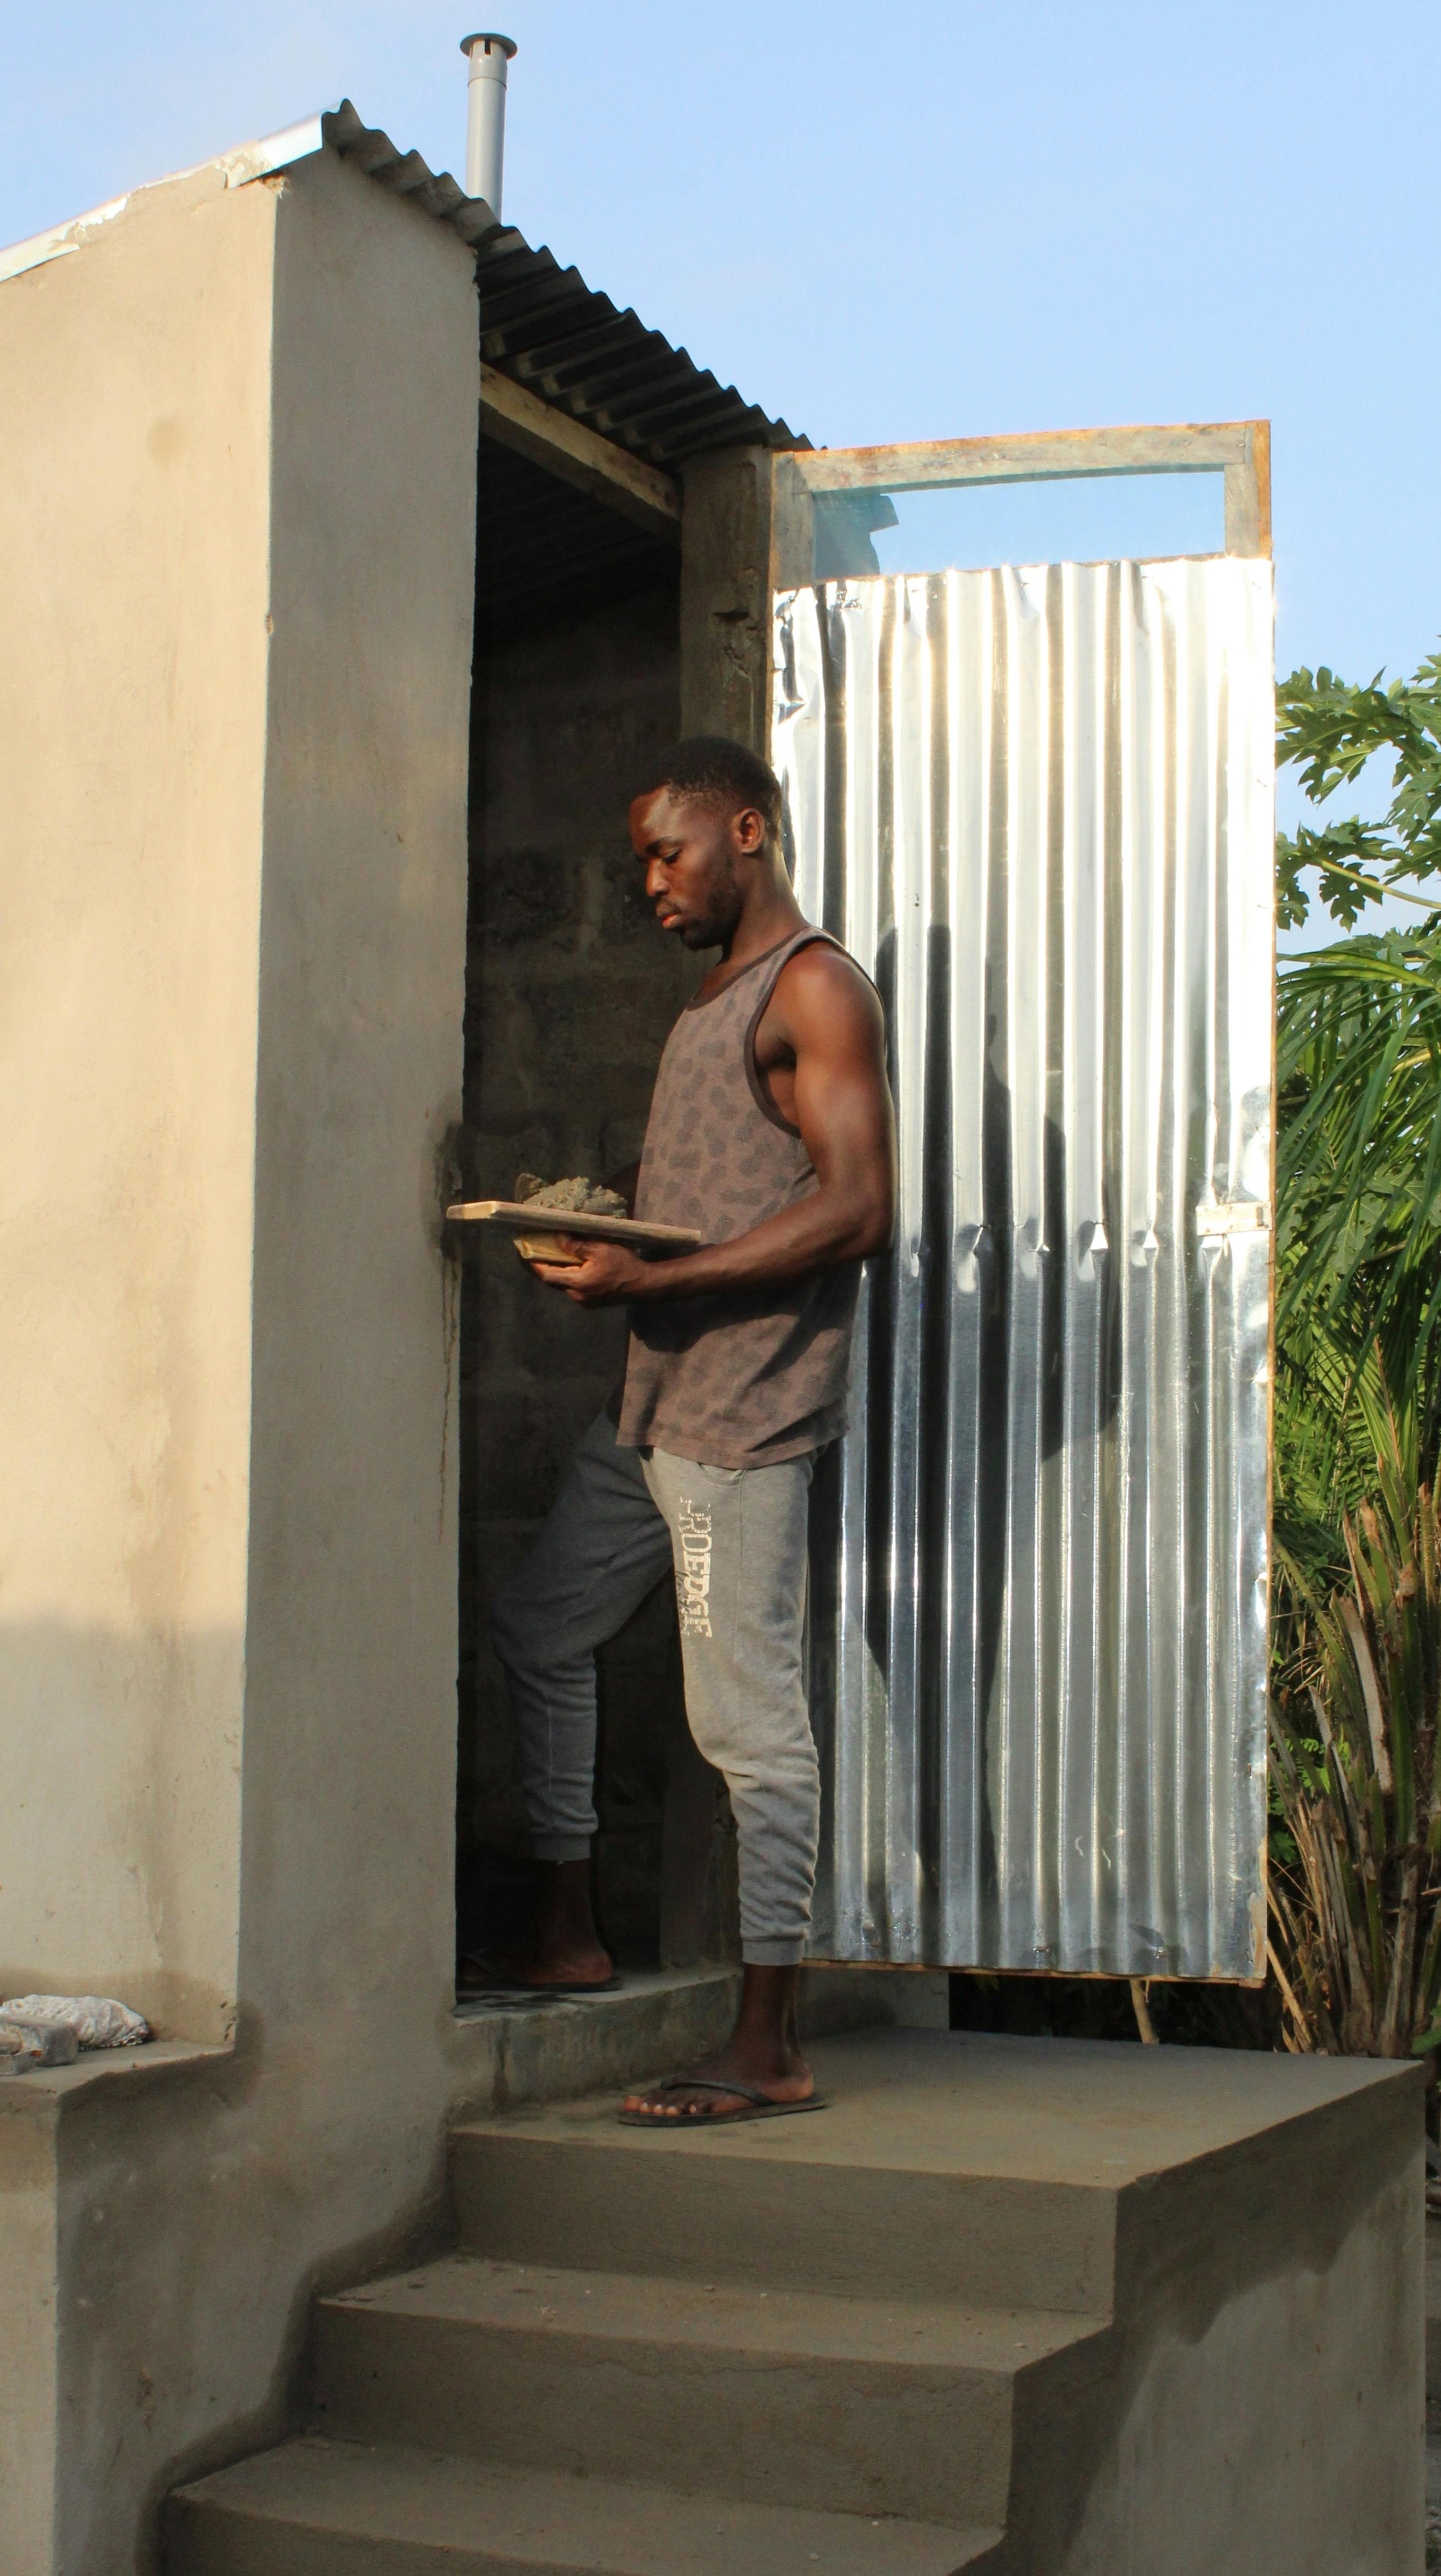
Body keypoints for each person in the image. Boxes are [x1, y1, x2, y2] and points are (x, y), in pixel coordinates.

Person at [486, 736, 895, 2124]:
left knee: (747, 1727)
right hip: (650, 1407)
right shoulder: (713, 1002)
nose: (652, 882)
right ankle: (567, 1931)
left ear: (748, 831)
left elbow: (856, 1206)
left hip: (739, 1418)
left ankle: (768, 2044)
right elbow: (712, 1176)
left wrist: (647, 1282)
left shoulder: (814, 987)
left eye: (668, 852)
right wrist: (583, 1214)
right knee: (541, 1625)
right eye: (640, 863)